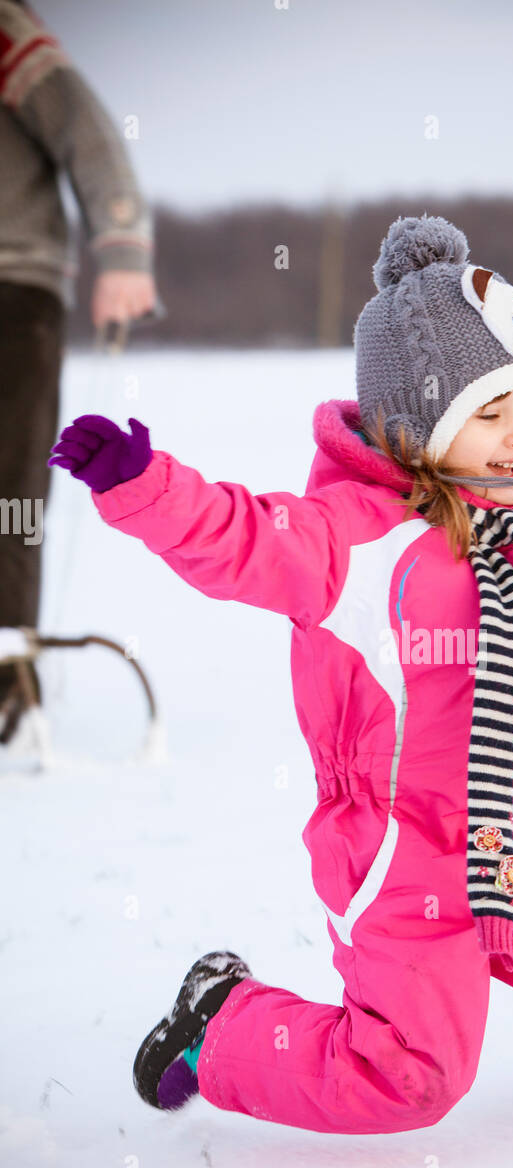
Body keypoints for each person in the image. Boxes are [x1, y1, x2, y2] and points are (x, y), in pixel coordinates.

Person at [47, 214, 513, 1133]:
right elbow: (244, 539)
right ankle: (219, 1022)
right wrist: (145, 486)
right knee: (408, 1082)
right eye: (490, 412)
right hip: (406, 856)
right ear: (419, 419)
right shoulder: (352, 541)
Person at [0, 0, 157, 743]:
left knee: (9, 499)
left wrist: (121, 249)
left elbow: (86, 131)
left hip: (11, 289)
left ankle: (6, 678)